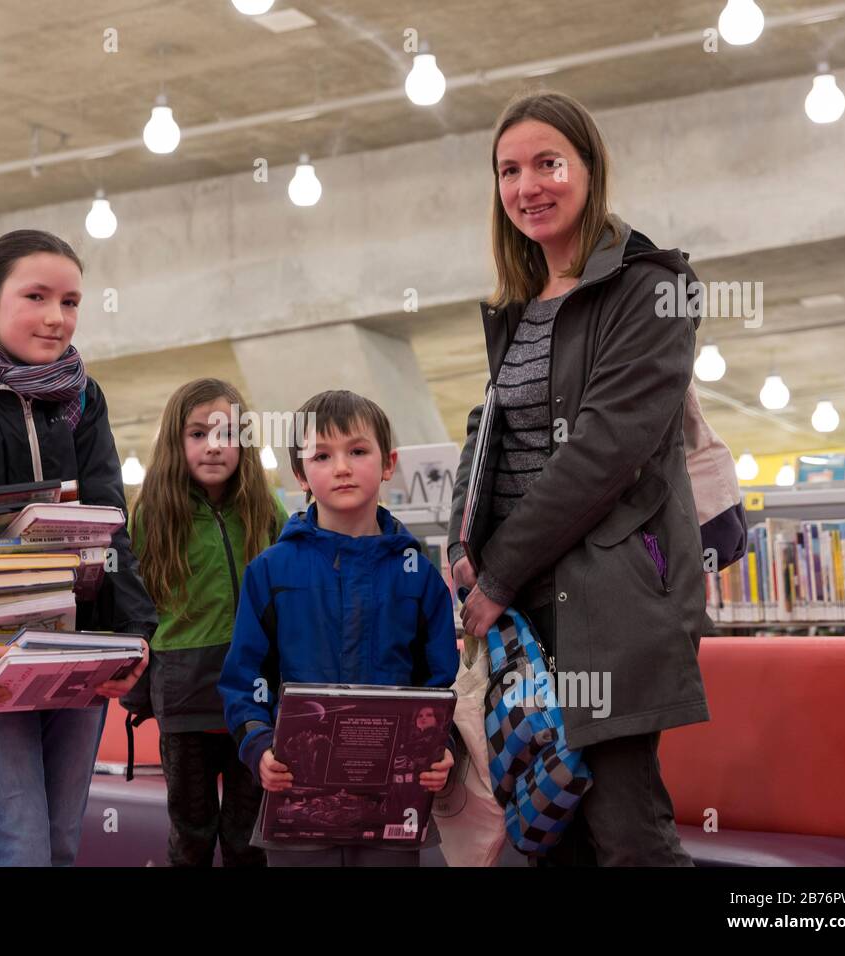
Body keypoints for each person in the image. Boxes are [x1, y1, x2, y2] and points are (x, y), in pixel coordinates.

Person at [448, 91, 709, 866]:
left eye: (549, 163)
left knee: (628, 836)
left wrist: (497, 573)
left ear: (591, 170)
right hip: (525, 615)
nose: (528, 185)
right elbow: (486, 427)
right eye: (509, 170)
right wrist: (463, 542)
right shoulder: (522, 306)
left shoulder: (653, 287)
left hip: (613, 600)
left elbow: (602, 453)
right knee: (547, 835)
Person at [0, 228, 157, 866]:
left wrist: (136, 632)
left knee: (62, 844)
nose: (55, 317)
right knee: (19, 847)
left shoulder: (82, 397)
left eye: (70, 302)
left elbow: (111, 521)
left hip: (79, 650)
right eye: (35, 296)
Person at [219, 390, 460, 867]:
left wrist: (442, 749)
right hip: (298, 803)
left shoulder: (420, 576)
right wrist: (259, 745)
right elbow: (244, 678)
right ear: (300, 475)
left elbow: (439, 686)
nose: (342, 467)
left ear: (388, 463)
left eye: (357, 451)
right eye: (322, 456)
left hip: (392, 805)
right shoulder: (270, 571)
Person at [120, 378, 288, 867]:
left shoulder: (266, 508)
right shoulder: (153, 514)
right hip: (183, 694)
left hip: (256, 694)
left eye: (227, 433)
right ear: (177, 441)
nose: (214, 446)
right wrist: (138, 688)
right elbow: (135, 605)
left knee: (247, 837)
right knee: (191, 833)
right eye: (198, 434)